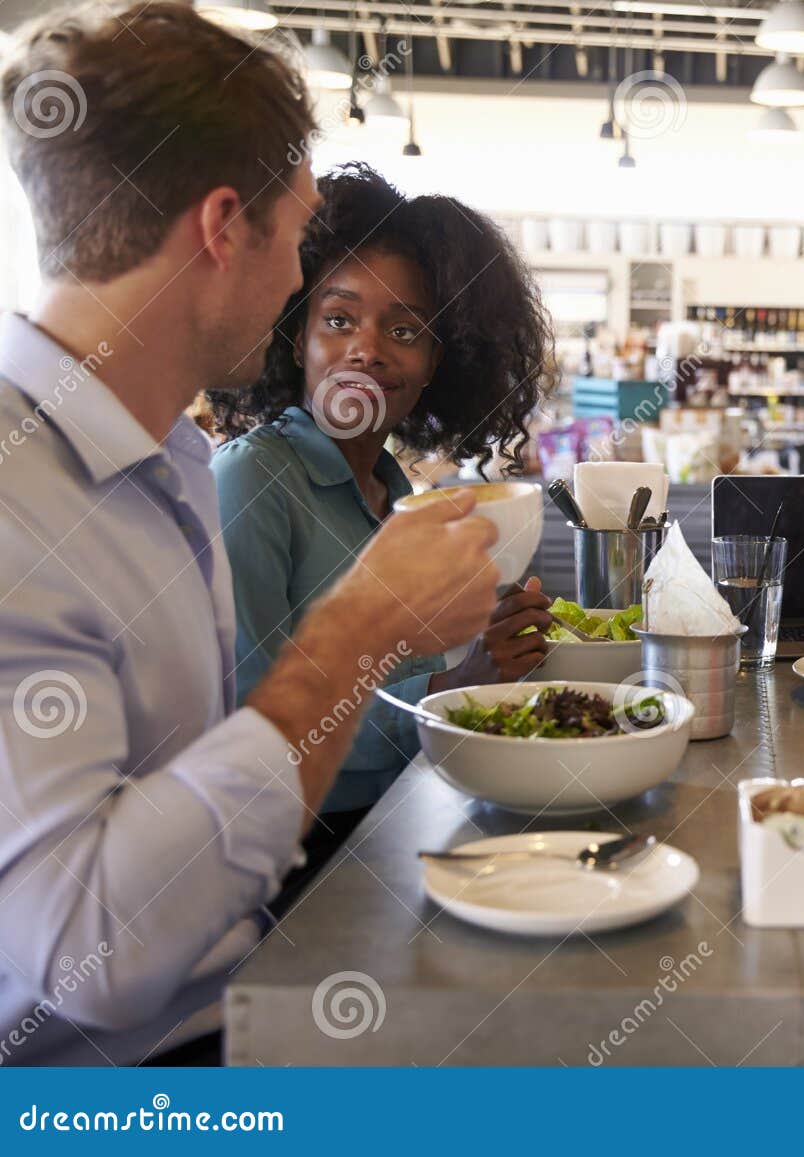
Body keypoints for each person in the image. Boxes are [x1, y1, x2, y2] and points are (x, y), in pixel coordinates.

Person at [0, 3, 499, 1064]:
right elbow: (91, 951)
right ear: (226, 227)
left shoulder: (162, 465)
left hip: (241, 1003)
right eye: (298, 236)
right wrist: (359, 627)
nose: (295, 290)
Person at [208, 165, 555, 868]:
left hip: (406, 831)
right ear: (294, 335)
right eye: (338, 319)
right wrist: (446, 692)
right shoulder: (252, 479)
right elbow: (249, 730)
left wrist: (485, 651)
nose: (368, 348)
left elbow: (396, 681)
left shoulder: (396, 495)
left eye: (405, 328)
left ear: (436, 362)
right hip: (304, 869)